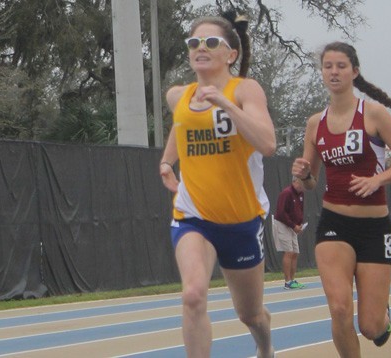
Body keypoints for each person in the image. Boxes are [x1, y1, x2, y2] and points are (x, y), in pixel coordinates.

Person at [158, 10, 276, 358]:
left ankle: (265, 347)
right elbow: (182, 126)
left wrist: (225, 103)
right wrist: (167, 161)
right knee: (193, 295)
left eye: (211, 42)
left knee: (250, 314)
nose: (201, 48)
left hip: (241, 219)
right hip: (193, 215)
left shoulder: (245, 90)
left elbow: (267, 144)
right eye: (194, 42)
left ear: (231, 54)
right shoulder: (178, 95)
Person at [292, 41, 391, 356]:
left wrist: (377, 179)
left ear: (354, 71)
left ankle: (382, 316)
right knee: (338, 308)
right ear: (322, 72)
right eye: (328, 66)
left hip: (374, 227)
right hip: (334, 224)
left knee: (370, 328)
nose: (334, 72)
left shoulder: (373, 113)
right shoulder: (315, 123)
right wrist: (304, 173)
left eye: (341, 66)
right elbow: (310, 182)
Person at [273, 177, 306, 289]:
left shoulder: (301, 194)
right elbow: (281, 213)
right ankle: (287, 282)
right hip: (283, 224)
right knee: (289, 252)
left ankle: (292, 280)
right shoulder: (286, 193)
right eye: (301, 184)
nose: (302, 187)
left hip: (293, 225)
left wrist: (299, 224)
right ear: (295, 182)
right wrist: (293, 226)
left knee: (295, 252)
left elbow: (300, 210)